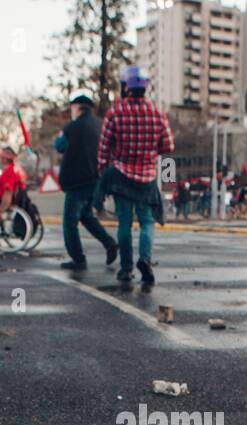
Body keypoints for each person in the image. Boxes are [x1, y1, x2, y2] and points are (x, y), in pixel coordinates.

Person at [96, 65, 175, 285]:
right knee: (147, 221)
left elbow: (103, 148)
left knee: (124, 223)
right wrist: (150, 151)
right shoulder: (157, 113)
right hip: (147, 177)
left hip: (121, 175)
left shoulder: (115, 112)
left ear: (126, 87)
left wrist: (104, 170)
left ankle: (125, 268)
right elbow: (168, 145)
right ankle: (146, 260)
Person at [54, 93, 117, 271]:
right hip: (96, 179)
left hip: (77, 180)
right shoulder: (100, 125)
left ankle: (78, 259)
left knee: (69, 221)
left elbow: (59, 146)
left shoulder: (72, 128)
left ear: (77, 107)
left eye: (72, 108)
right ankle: (109, 242)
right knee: (86, 216)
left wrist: (61, 135)